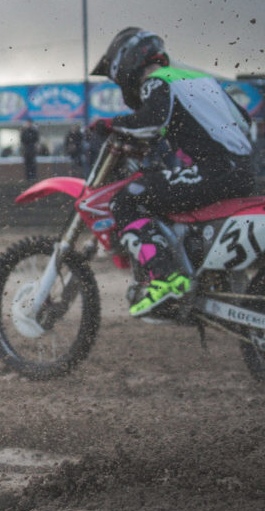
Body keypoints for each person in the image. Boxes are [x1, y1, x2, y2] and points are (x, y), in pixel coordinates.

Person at [99, 27, 255, 315]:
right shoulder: (199, 79)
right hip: (241, 170)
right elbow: (244, 120)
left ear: (127, 63)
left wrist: (108, 124)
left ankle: (166, 278)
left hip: (215, 169)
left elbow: (150, 121)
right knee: (163, 191)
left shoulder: (156, 80)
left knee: (127, 198)